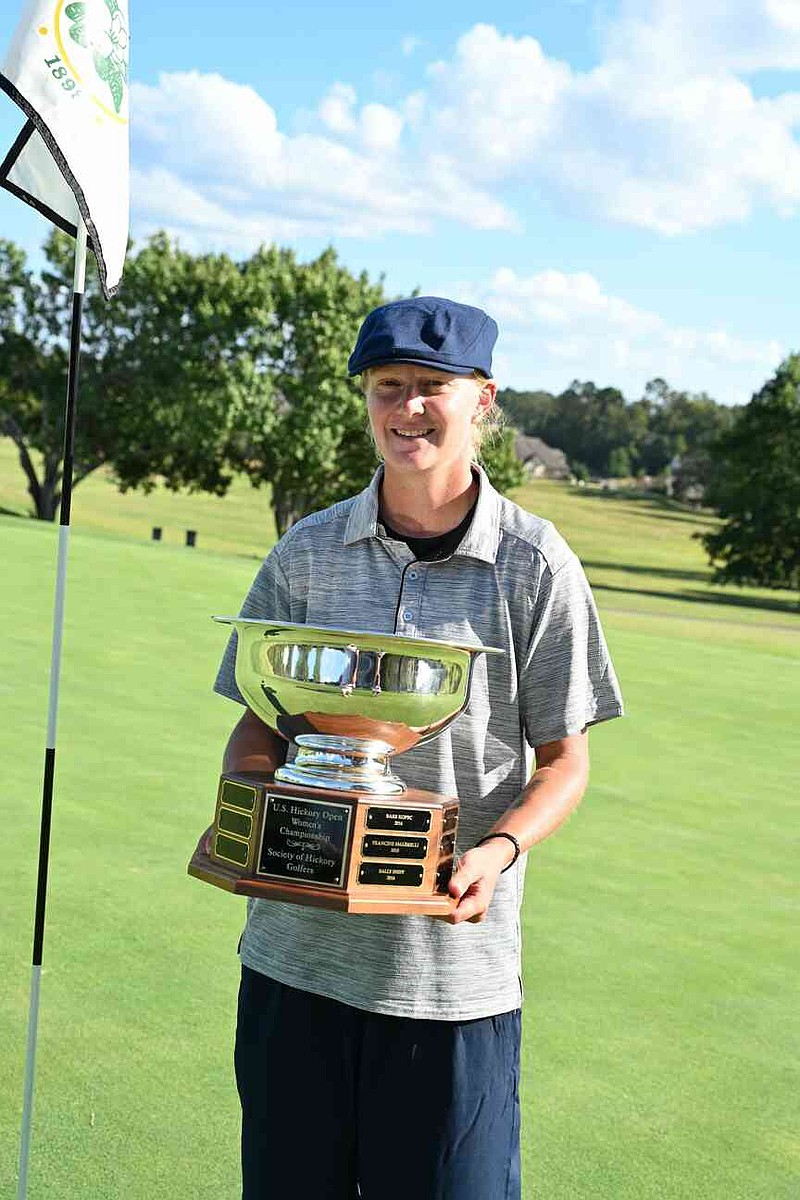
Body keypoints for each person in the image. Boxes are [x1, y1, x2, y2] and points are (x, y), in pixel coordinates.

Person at [213, 296, 624, 1200]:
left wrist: (496, 851)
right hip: (294, 965)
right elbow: (258, 719)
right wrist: (253, 814)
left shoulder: (536, 563)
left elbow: (565, 761)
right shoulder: (310, 549)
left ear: (482, 399)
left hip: (448, 984)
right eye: (388, 386)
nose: (408, 409)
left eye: (431, 387)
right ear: (366, 397)